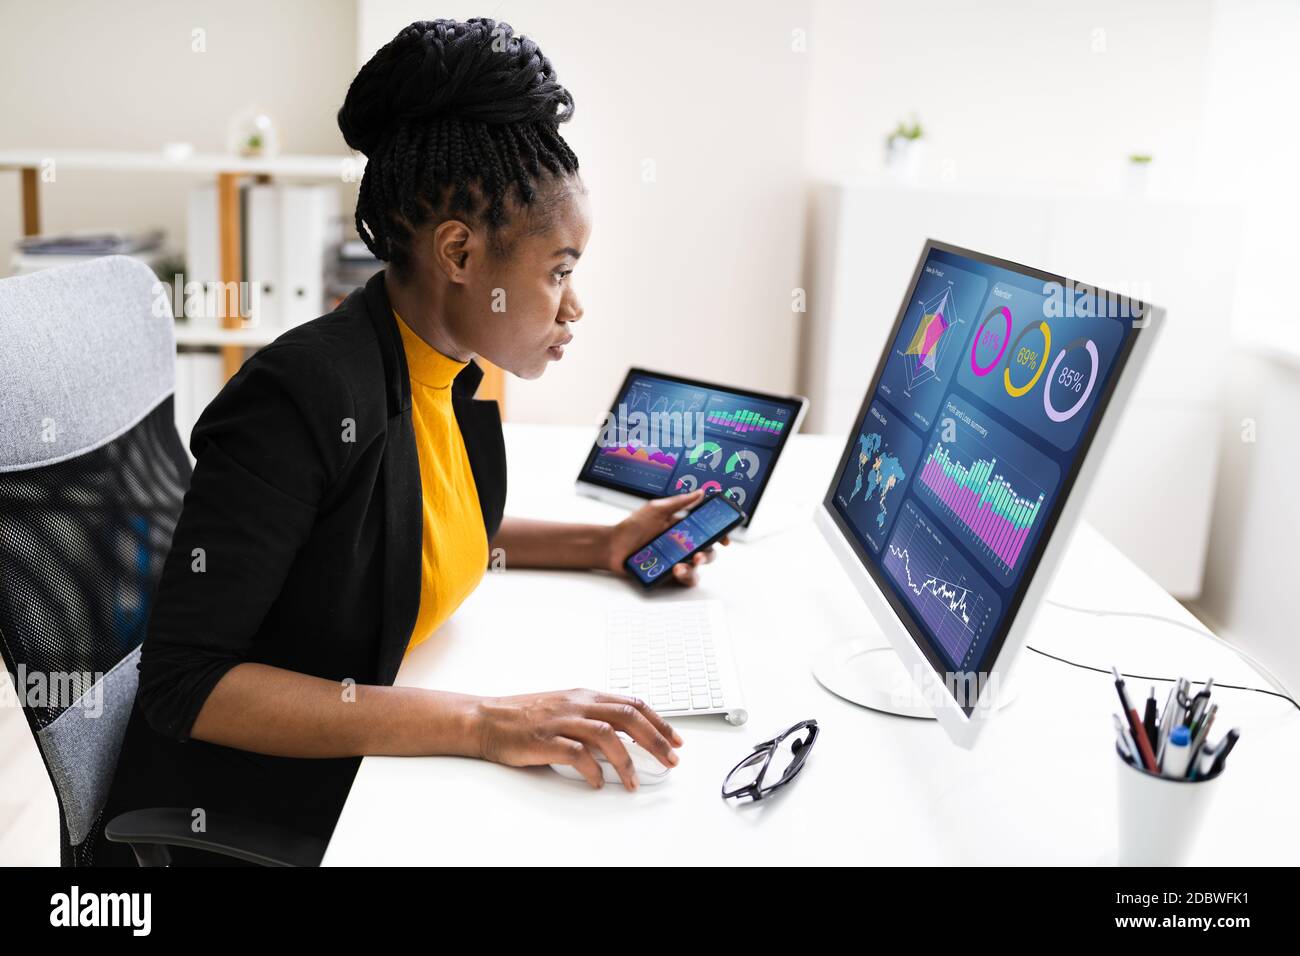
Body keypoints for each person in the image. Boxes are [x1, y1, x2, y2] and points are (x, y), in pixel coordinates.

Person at [97, 17, 725, 866]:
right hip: (251, 810)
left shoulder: (442, 370)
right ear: (460, 253)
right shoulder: (306, 395)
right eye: (560, 270)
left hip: (373, 763)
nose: (574, 307)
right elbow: (185, 682)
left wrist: (600, 542)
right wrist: (482, 722)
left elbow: (402, 528)